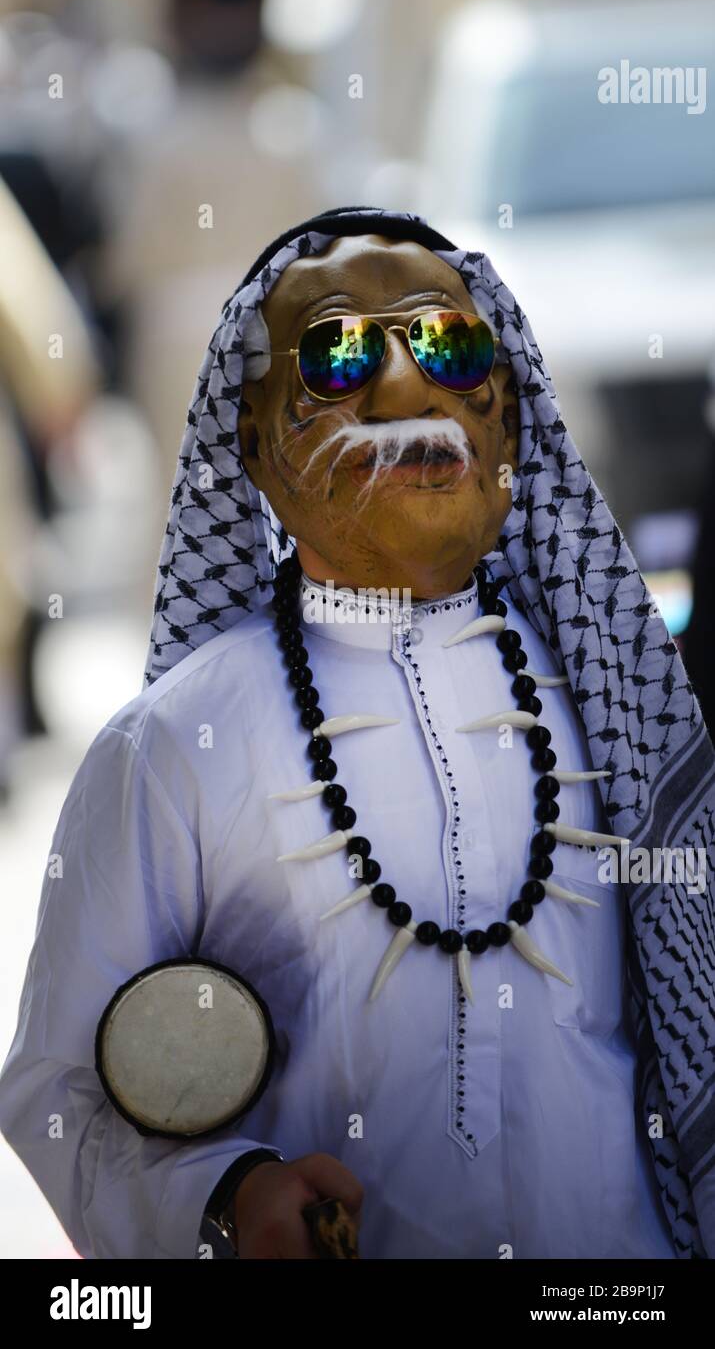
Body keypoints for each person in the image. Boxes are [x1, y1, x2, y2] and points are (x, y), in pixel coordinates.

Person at [0, 206, 713, 1260]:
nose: (406, 389)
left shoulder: (613, 695)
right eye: (338, 357)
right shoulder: (175, 746)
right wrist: (226, 1196)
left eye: (448, 344)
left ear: (507, 414)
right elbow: (60, 1087)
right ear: (253, 443)